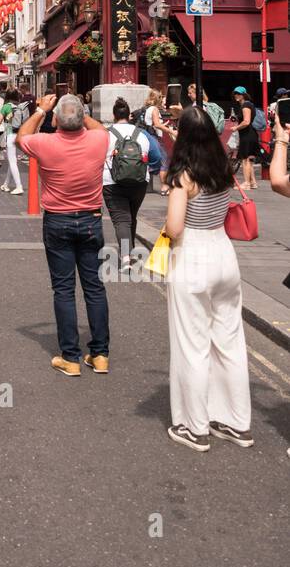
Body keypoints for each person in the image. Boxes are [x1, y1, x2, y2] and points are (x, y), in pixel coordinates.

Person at [162, 106, 252, 452]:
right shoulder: (223, 166)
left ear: (183, 135)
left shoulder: (183, 175)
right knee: (229, 341)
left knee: (192, 345)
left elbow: (175, 227)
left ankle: (194, 427)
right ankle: (235, 422)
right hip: (224, 255)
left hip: (192, 256)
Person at [17, 93, 110, 377]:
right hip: (91, 219)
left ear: (56, 119)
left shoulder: (45, 143)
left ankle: (70, 357)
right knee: (94, 288)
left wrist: (41, 111)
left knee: (64, 289)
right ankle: (100, 354)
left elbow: (22, 135)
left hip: (58, 221)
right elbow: (99, 128)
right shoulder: (99, 140)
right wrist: (78, 111)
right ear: (82, 118)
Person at [102, 98, 150, 271]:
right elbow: (158, 157)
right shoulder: (142, 134)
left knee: (122, 219)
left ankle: (125, 257)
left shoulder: (106, 134)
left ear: (113, 115)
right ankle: (129, 251)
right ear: (129, 115)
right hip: (139, 182)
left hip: (112, 182)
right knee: (131, 216)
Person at [231, 87, 260, 191]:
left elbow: (246, 121)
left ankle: (247, 183)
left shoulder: (245, 105)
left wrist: (236, 128)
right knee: (249, 159)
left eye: (238, 94)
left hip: (247, 135)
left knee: (245, 160)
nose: (236, 95)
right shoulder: (248, 104)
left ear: (244, 94)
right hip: (250, 135)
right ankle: (252, 182)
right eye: (235, 93)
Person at [0, 90, 26, 195]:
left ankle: (19, 186)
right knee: (13, 160)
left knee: (12, 161)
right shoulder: (20, 107)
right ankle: (6, 184)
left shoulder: (6, 106)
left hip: (10, 135)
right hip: (19, 134)